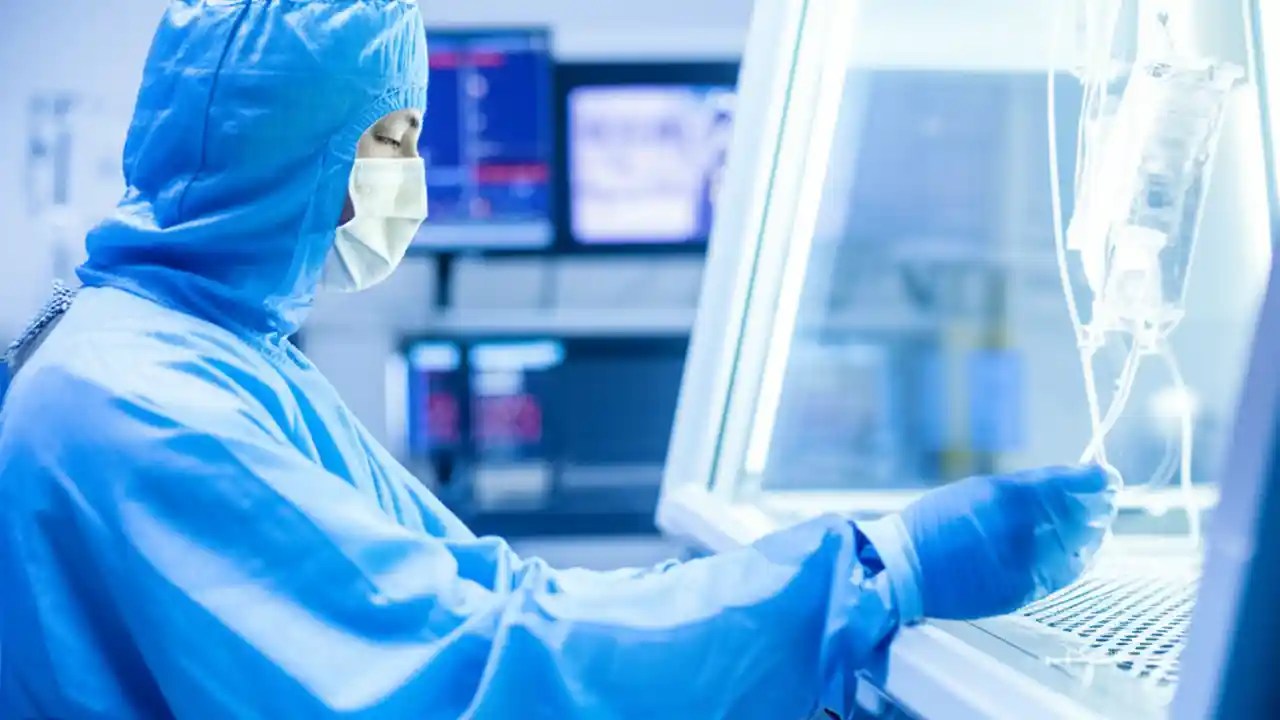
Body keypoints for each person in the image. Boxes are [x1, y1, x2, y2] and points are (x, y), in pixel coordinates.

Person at [0, 2, 1117, 718]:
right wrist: (870, 572)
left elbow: (479, 589)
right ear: (275, 143)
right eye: (390, 141)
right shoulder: (141, 405)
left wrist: (762, 632)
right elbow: (468, 670)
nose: (412, 181)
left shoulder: (210, 351)